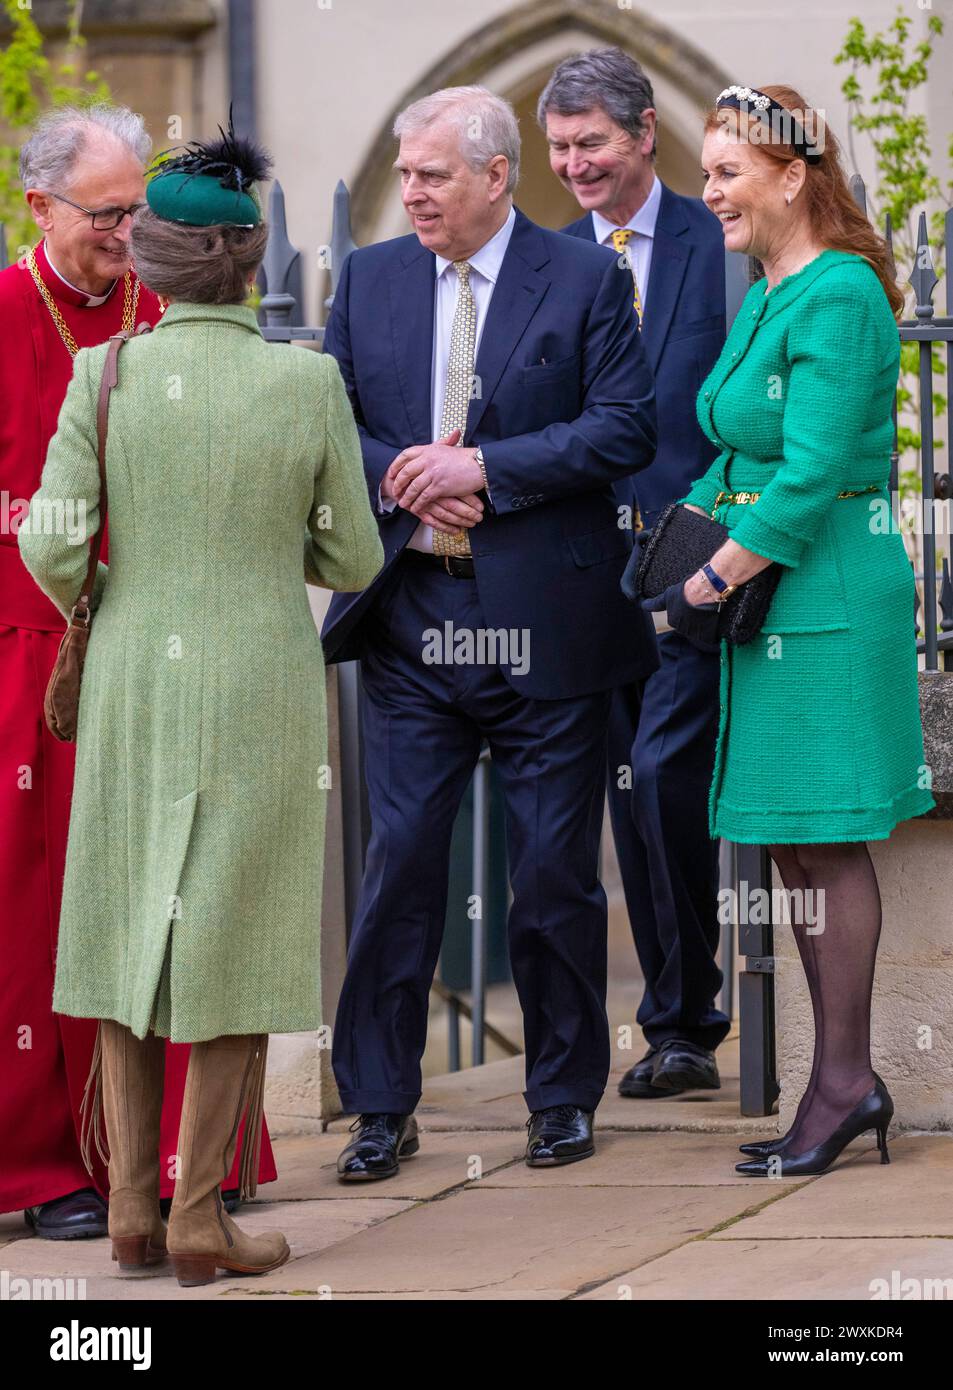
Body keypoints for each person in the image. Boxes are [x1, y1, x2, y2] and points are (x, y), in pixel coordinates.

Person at [18, 123, 384, 1285]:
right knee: (234, 937)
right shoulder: (305, 379)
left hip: (129, 675)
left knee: (129, 930)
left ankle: (126, 1205)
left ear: (161, 263)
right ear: (249, 257)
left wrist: (115, 589)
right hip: (259, 682)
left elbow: (50, 541)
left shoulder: (103, 372)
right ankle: (197, 1213)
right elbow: (356, 558)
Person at [321, 85, 657, 1176]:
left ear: (494, 176)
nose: (408, 192)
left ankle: (560, 1095)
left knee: (554, 872)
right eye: (405, 174)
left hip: (545, 625)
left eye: (428, 175)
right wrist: (408, 478)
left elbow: (620, 425)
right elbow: (332, 424)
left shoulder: (584, 277)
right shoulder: (368, 278)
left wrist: (485, 470)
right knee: (400, 863)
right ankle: (378, 1102)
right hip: (411, 619)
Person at [0, 102, 276, 1242]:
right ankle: (43, 1167)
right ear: (38, 206)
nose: (127, 231)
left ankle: (180, 1164)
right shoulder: (9, 309)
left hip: (161, 644)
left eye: (137, 212)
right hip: (29, 648)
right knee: (40, 913)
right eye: (106, 212)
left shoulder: (160, 302)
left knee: (181, 899)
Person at [657, 84, 934, 1176]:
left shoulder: (838, 296)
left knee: (822, 835)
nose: (708, 189)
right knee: (785, 836)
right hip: (770, 600)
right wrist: (684, 539)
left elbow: (815, 469)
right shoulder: (767, 291)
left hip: (820, 603)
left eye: (726, 170)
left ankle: (842, 1081)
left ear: (789, 175)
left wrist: (709, 578)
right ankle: (843, 1082)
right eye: (707, 169)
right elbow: (737, 441)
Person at [540, 47, 731, 1099]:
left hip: (704, 562)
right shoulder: (556, 259)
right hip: (585, 569)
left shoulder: (721, 243)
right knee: (624, 788)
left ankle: (687, 1014)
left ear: (643, 133)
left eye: (591, 143)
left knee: (662, 776)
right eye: (559, 147)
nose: (573, 164)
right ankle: (677, 1024)